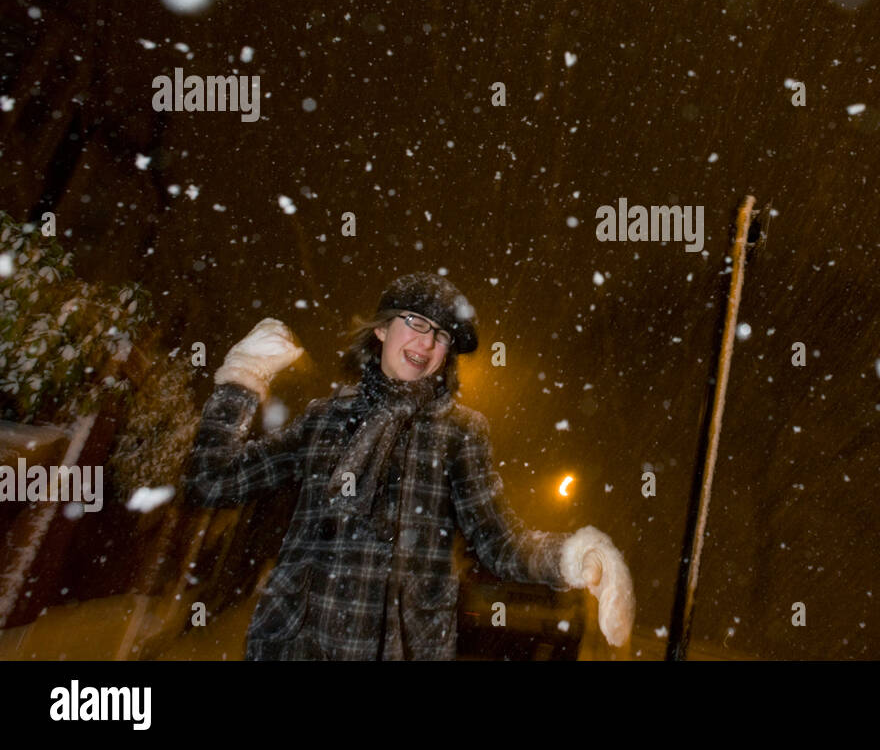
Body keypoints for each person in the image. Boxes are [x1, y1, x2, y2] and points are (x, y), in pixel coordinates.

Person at [184, 271, 634, 660]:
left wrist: (575, 558)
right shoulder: (325, 420)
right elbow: (213, 480)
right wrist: (243, 380)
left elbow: (499, 542)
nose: (427, 341)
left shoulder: (458, 433)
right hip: (299, 646)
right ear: (381, 329)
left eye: (441, 335)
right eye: (416, 322)